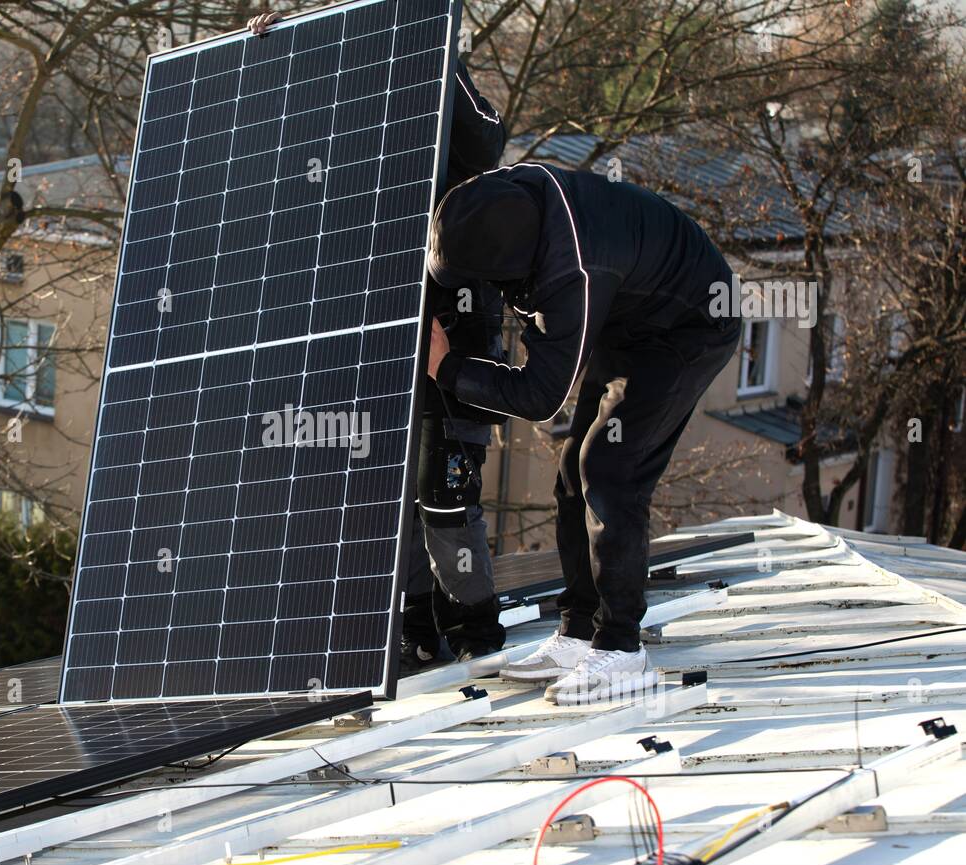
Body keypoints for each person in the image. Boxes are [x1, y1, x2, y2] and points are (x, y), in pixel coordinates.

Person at [247, 10, 510, 671]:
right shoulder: (350, 114)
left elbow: (487, 143)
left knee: (442, 497)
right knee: (383, 497)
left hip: (456, 335)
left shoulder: (439, 84)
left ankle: (477, 637)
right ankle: (417, 631)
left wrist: (434, 48)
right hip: (372, 335)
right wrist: (286, 46)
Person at [425, 163, 741, 705]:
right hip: (630, 308)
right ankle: (578, 631)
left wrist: (446, 369)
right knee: (574, 470)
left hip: (690, 326)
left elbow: (538, 397)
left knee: (611, 470)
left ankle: (622, 651)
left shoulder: (572, 274)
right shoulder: (500, 196)